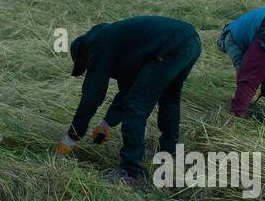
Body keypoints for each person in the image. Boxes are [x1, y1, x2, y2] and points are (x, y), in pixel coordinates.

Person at [56, 16, 202, 184]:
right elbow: (126, 91)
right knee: (169, 99)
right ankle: (169, 152)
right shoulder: (125, 47)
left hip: (168, 46)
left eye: (86, 65)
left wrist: (73, 136)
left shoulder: (97, 43)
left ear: (84, 53)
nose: (90, 68)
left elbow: (93, 95)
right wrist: (106, 124)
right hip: (191, 41)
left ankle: (131, 171)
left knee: (135, 107)